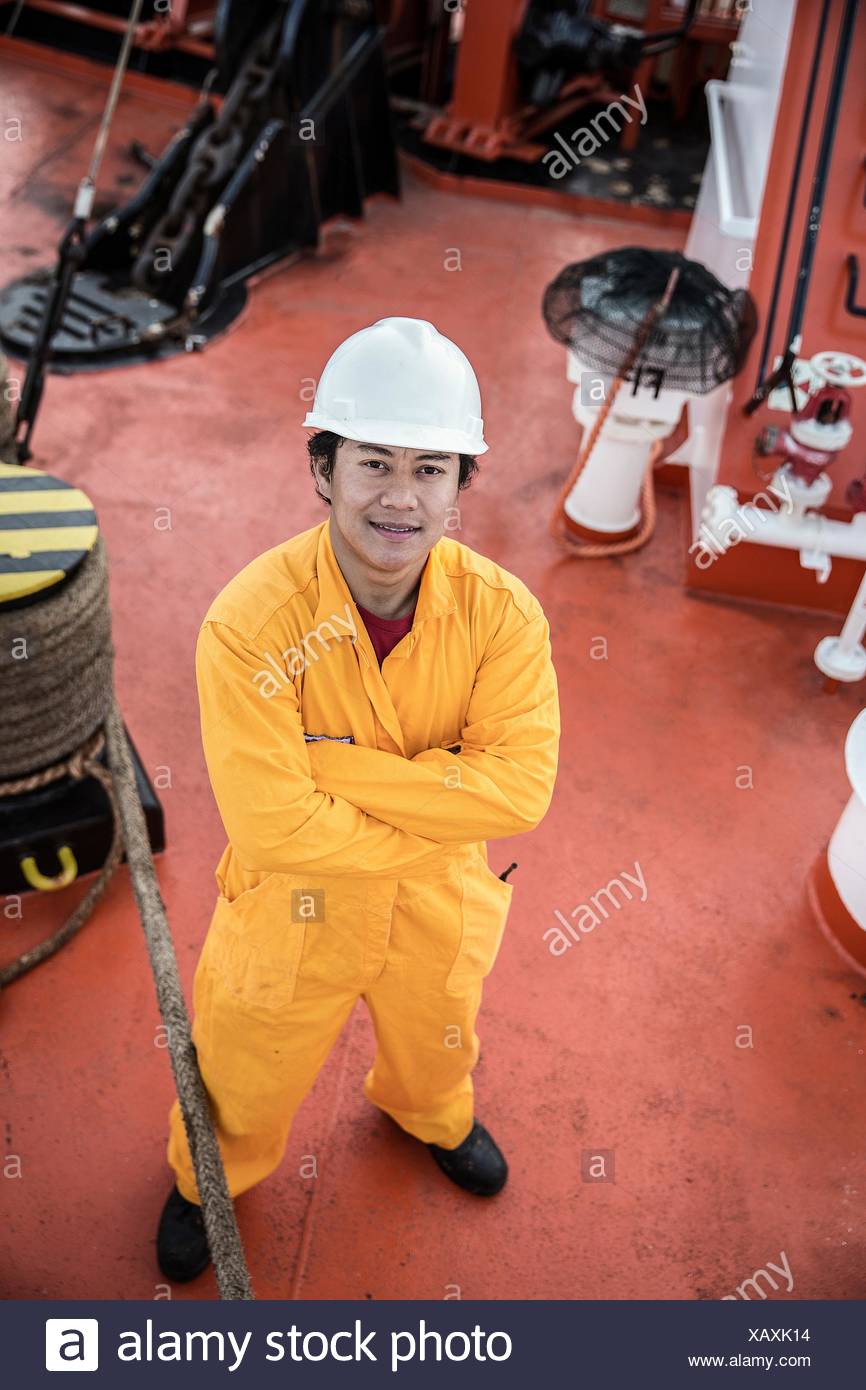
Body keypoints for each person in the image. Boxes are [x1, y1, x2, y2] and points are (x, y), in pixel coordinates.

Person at [156, 317, 561, 1281]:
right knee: (245, 1063)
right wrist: (434, 817)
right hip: (295, 908)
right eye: (374, 461)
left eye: (430, 469)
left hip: (435, 911)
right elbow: (272, 826)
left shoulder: (504, 617)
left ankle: (432, 1116)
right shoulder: (252, 625)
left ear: (463, 486)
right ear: (323, 470)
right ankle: (202, 1177)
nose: (400, 496)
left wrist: (330, 764)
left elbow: (521, 790)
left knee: (440, 1038)